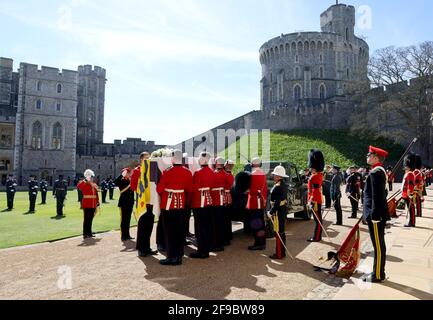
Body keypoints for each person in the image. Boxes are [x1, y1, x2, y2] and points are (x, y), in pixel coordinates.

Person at [157, 150, 193, 266]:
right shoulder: (187, 172)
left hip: (169, 204)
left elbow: (159, 189)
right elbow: (189, 189)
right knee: (179, 231)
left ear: (172, 159)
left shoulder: (167, 172)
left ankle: (172, 257)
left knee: (170, 232)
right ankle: (179, 255)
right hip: (181, 203)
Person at [362, 146, 389, 283]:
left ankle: (378, 275)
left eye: (369, 154)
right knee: (379, 245)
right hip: (376, 214)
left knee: (378, 246)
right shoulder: (378, 171)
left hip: (376, 216)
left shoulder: (376, 173)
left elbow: (376, 197)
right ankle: (378, 272)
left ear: (375, 157)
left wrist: (374, 216)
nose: (367, 156)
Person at [131, 152, 158, 257]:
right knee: (142, 226)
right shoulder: (137, 171)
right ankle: (141, 248)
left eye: (149, 158)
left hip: (151, 201)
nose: (148, 160)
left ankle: (147, 247)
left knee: (150, 225)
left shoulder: (152, 171)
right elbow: (133, 186)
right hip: (142, 202)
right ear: (141, 160)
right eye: (146, 158)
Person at [189, 152, 214, 259]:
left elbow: (194, 189)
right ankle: (206, 249)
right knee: (207, 226)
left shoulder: (198, 172)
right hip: (208, 200)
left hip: (199, 201)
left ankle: (201, 251)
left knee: (199, 227)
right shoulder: (212, 172)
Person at [267, 165, 289, 260]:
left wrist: (271, 212)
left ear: (278, 176)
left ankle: (279, 253)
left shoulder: (278, 186)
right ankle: (282, 252)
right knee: (282, 232)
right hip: (282, 210)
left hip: (278, 211)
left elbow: (277, 202)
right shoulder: (283, 185)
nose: (273, 176)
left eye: (275, 175)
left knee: (279, 233)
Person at [246, 157, 268, 251]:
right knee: (260, 224)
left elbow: (251, 190)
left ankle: (258, 243)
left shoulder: (253, 175)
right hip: (261, 201)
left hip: (254, 202)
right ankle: (261, 242)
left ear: (252, 165)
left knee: (256, 225)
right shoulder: (263, 173)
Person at [307, 150, 325, 242]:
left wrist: (311, 201)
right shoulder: (318, 175)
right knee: (318, 219)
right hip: (316, 199)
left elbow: (314, 191)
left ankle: (317, 237)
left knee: (317, 220)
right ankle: (317, 236)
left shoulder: (314, 176)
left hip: (315, 200)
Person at [211, 157, 228, 252]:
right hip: (222, 198)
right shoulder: (226, 174)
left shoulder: (215, 173)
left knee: (215, 223)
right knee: (221, 222)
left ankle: (216, 244)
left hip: (215, 199)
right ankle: (220, 243)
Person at [77, 170, 100, 239]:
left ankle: (89, 232)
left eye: (92, 177)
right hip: (87, 204)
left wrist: (98, 202)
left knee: (90, 219)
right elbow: (79, 186)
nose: (92, 178)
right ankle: (85, 233)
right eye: (91, 177)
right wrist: (85, 180)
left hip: (93, 204)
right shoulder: (84, 183)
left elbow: (96, 193)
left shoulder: (93, 184)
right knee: (86, 219)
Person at [114, 168, 135, 241]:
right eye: (127, 173)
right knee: (124, 220)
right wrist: (121, 175)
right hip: (123, 202)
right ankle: (123, 236)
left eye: (129, 173)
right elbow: (115, 182)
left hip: (130, 202)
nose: (129, 174)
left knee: (128, 219)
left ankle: (127, 235)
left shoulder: (130, 181)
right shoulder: (121, 180)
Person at [402, 153, 417, 228]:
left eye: (406, 166)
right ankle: (411, 221)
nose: (405, 168)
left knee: (411, 209)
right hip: (406, 194)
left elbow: (410, 185)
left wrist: (410, 193)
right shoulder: (408, 173)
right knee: (410, 208)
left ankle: (412, 222)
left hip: (408, 194)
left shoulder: (410, 174)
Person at [224, 160, 235, 246]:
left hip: (225, 197)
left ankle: (226, 237)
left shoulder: (227, 175)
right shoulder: (231, 175)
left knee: (225, 219)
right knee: (227, 219)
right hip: (229, 197)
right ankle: (228, 236)